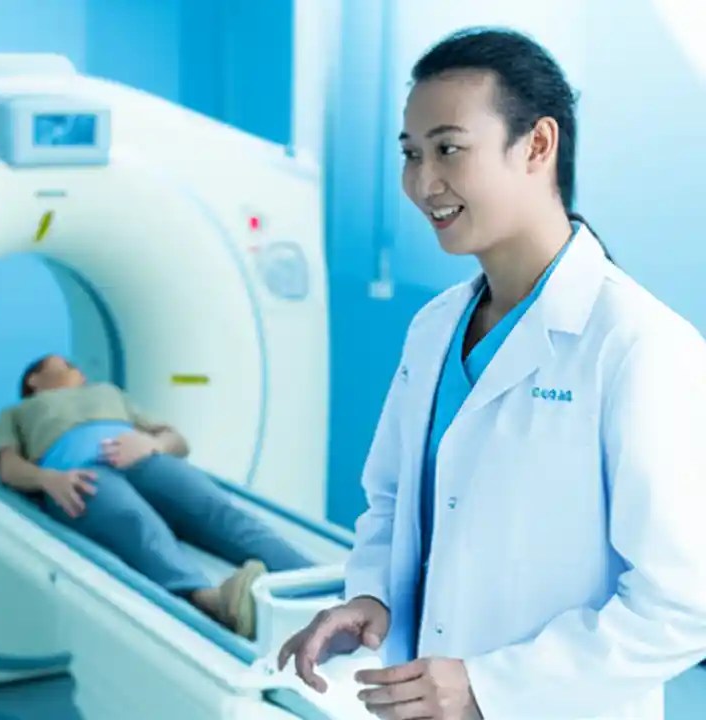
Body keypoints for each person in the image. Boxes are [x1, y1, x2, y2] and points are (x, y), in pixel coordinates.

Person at [277, 27, 706, 719]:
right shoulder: (435, 328)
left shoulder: (638, 344)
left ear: (537, 146)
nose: (422, 183)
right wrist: (372, 598)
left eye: (449, 149)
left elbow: (684, 605)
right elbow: (391, 502)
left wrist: (489, 687)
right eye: (411, 154)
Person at [0, 354, 310, 639]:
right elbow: (7, 465)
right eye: (62, 362)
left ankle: (315, 578)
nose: (74, 366)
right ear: (33, 379)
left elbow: (177, 441)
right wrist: (48, 479)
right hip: (78, 474)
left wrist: (153, 445)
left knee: (213, 506)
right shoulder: (19, 411)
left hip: (142, 457)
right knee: (135, 521)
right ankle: (211, 600)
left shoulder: (108, 393)